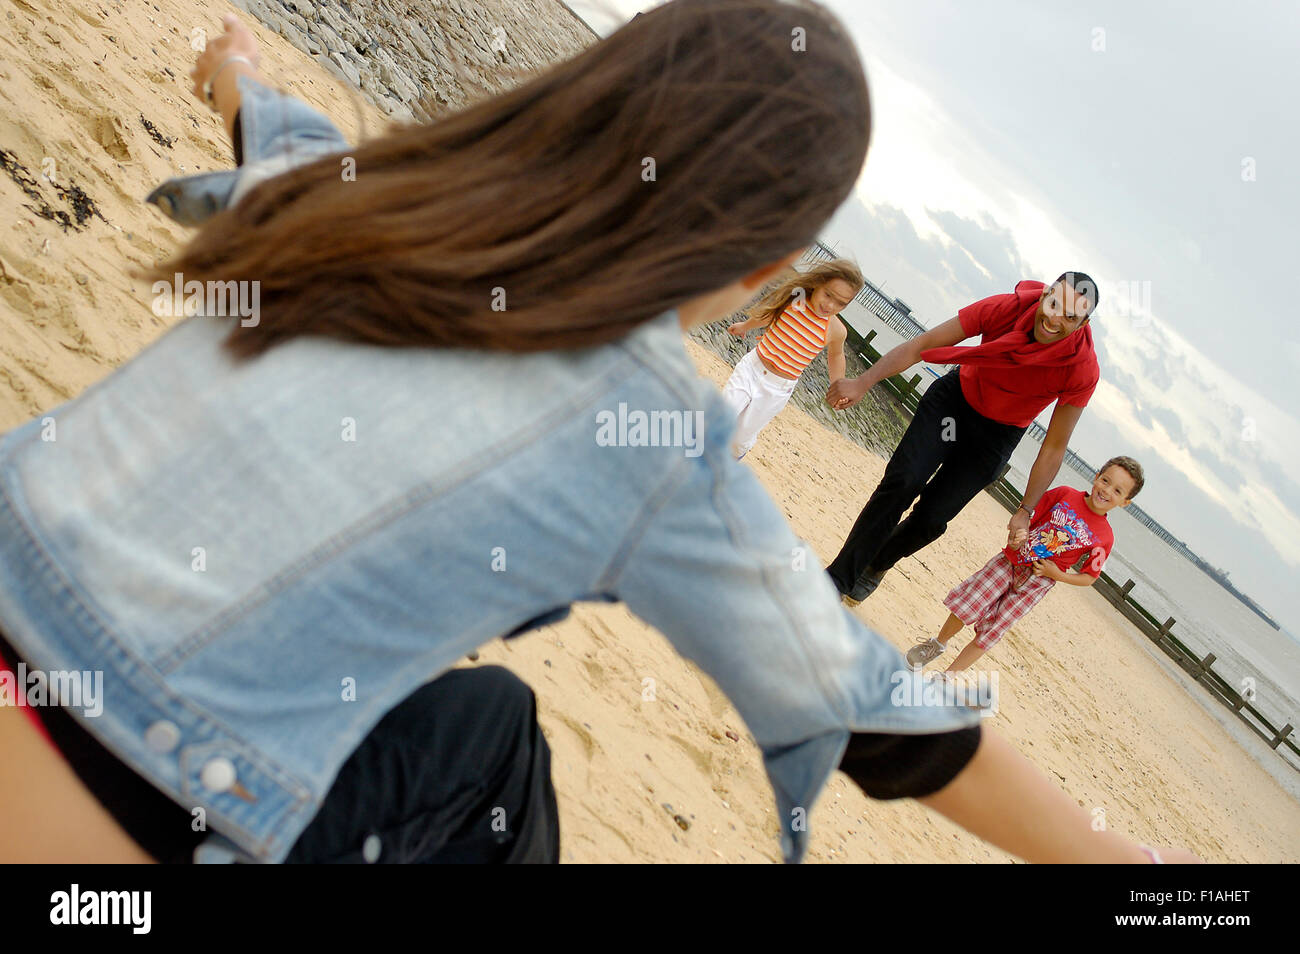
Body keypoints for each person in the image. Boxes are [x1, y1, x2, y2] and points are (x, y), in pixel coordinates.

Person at [0, 3, 1194, 865]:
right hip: (113, 834)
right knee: (494, 764)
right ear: (774, 266)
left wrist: (234, 61)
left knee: (487, 722)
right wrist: (1118, 867)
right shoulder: (649, 436)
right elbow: (877, 720)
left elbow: (267, 115)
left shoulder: (363, 191)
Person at [825, 273, 1102, 605]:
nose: (1056, 318)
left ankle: (876, 563)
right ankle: (838, 579)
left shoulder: (1082, 368)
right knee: (903, 482)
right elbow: (924, 345)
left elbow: (1054, 445)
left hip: (997, 436)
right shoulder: (1005, 308)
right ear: (1045, 295)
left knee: (931, 518)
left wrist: (1026, 509)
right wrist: (864, 381)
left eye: (1070, 316)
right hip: (955, 406)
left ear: (1083, 323)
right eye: (1054, 303)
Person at [908, 457, 1142, 672]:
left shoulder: (1105, 536)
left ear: (1125, 502)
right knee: (971, 602)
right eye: (1105, 480)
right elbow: (1028, 517)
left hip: (1037, 583)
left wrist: (1057, 574)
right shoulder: (1064, 494)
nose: (1106, 490)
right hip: (1012, 560)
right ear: (1096, 476)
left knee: (992, 631)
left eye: (1117, 490)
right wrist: (1019, 533)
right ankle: (937, 644)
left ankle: (948, 676)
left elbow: (1089, 577)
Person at [719, 259, 861, 458]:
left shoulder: (835, 330)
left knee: (740, 438)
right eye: (828, 295)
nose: (830, 305)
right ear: (818, 282)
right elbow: (770, 315)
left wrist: (838, 386)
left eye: (841, 303)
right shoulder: (797, 300)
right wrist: (746, 326)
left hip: (777, 389)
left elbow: (836, 356)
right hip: (752, 368)